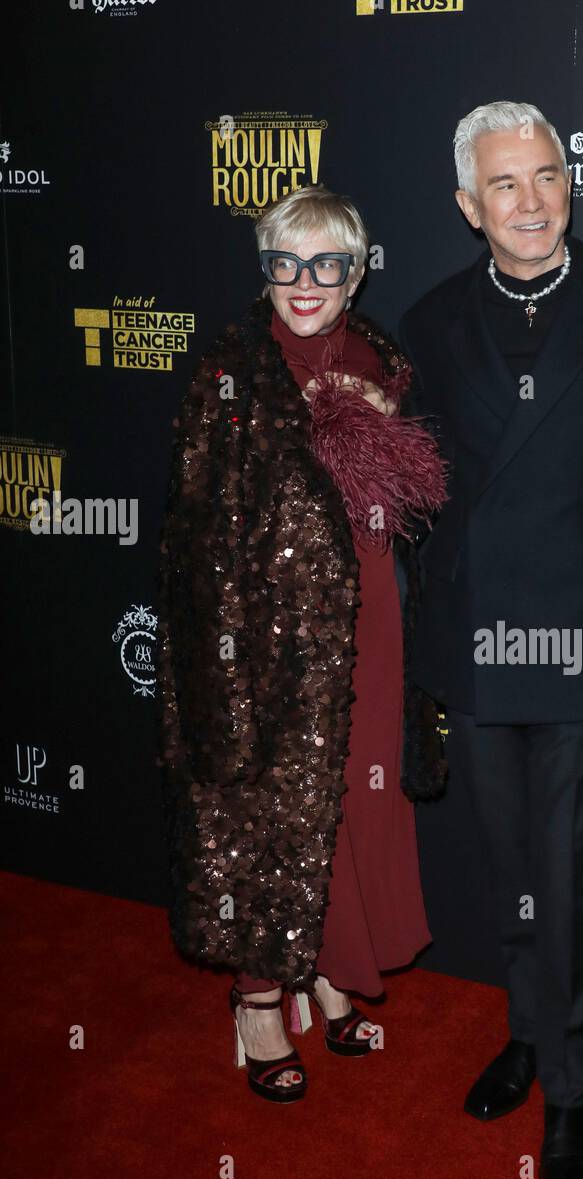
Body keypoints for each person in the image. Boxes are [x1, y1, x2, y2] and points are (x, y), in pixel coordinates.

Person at [399, 101, 583, 1179]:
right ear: (469, 206)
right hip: (477, 638)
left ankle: (566, 1089)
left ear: (570, 183)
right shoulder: (428, 319)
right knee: (515, 871)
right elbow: (423, 492)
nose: (531, 201)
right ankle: (525, 1030)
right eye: (504, 185)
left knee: (570, 878)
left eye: (547, 176)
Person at [155, 184, 447, 1104]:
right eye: (286, 262)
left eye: (327, 263)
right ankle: (257, 1000)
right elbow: (196, 532)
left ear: (355, 272)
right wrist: (220, 671)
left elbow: (419, 507)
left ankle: (328, 969)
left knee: (354, 804)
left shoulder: (381, 358)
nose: (305, 282)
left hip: (370, 622)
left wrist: (380, 422)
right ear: (266, 268)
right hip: (265, 644)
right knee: (264, 818)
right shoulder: (230, 370)